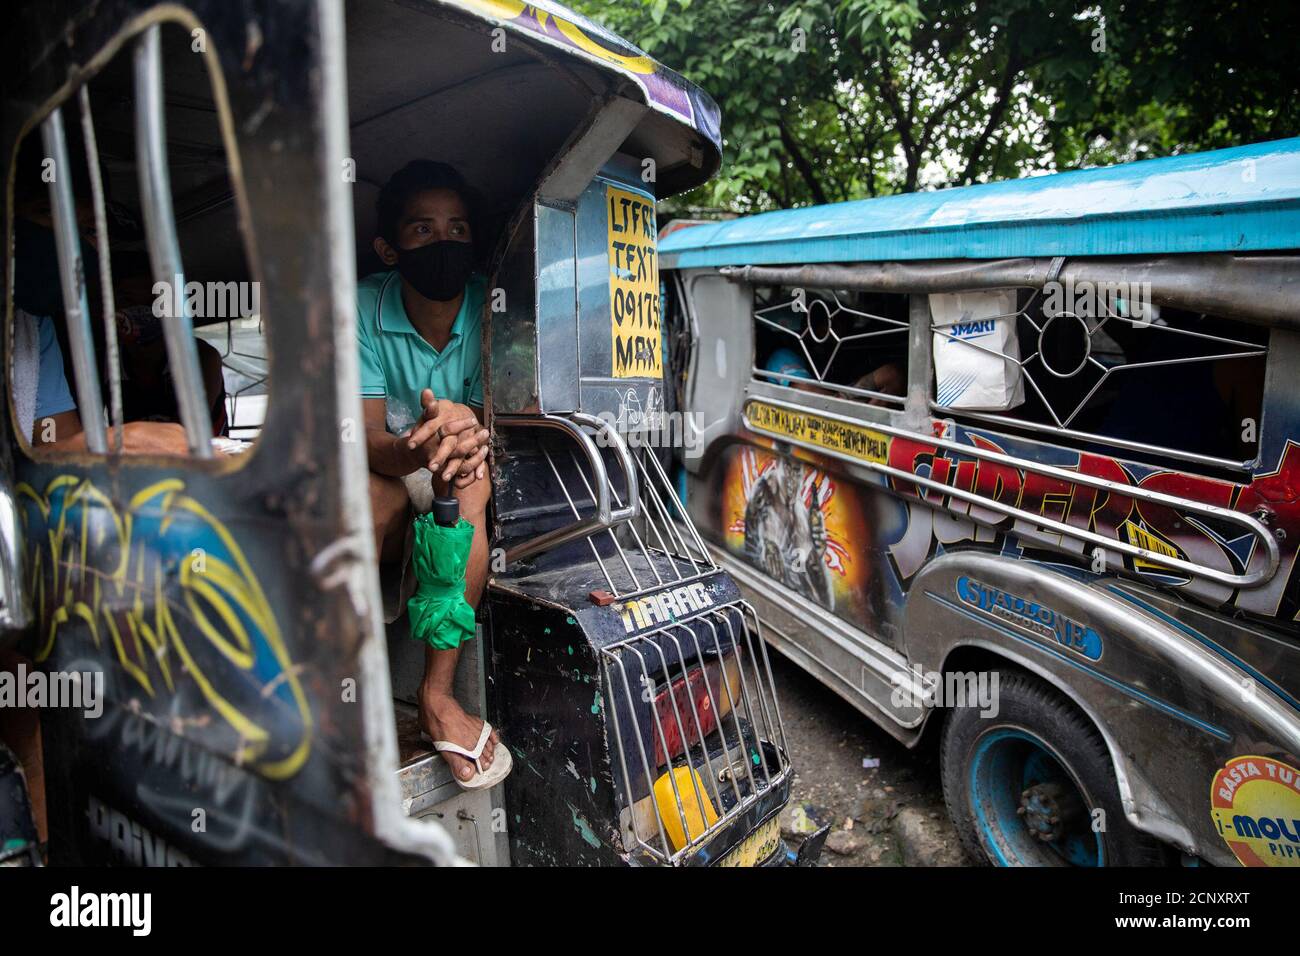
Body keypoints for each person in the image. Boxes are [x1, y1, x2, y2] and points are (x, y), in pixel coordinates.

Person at [358, 160, 503, 786]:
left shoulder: (493, 304)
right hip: (390, 461)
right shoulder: (363, 306)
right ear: (390, 248)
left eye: (457, 229)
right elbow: (363, 439)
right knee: (363, 507)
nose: (444, 242)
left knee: (471, 480)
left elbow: (497, 422)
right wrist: (418, 447)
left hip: (464, 459)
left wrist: (462, 431)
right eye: (422, 230)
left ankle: (437, 696)